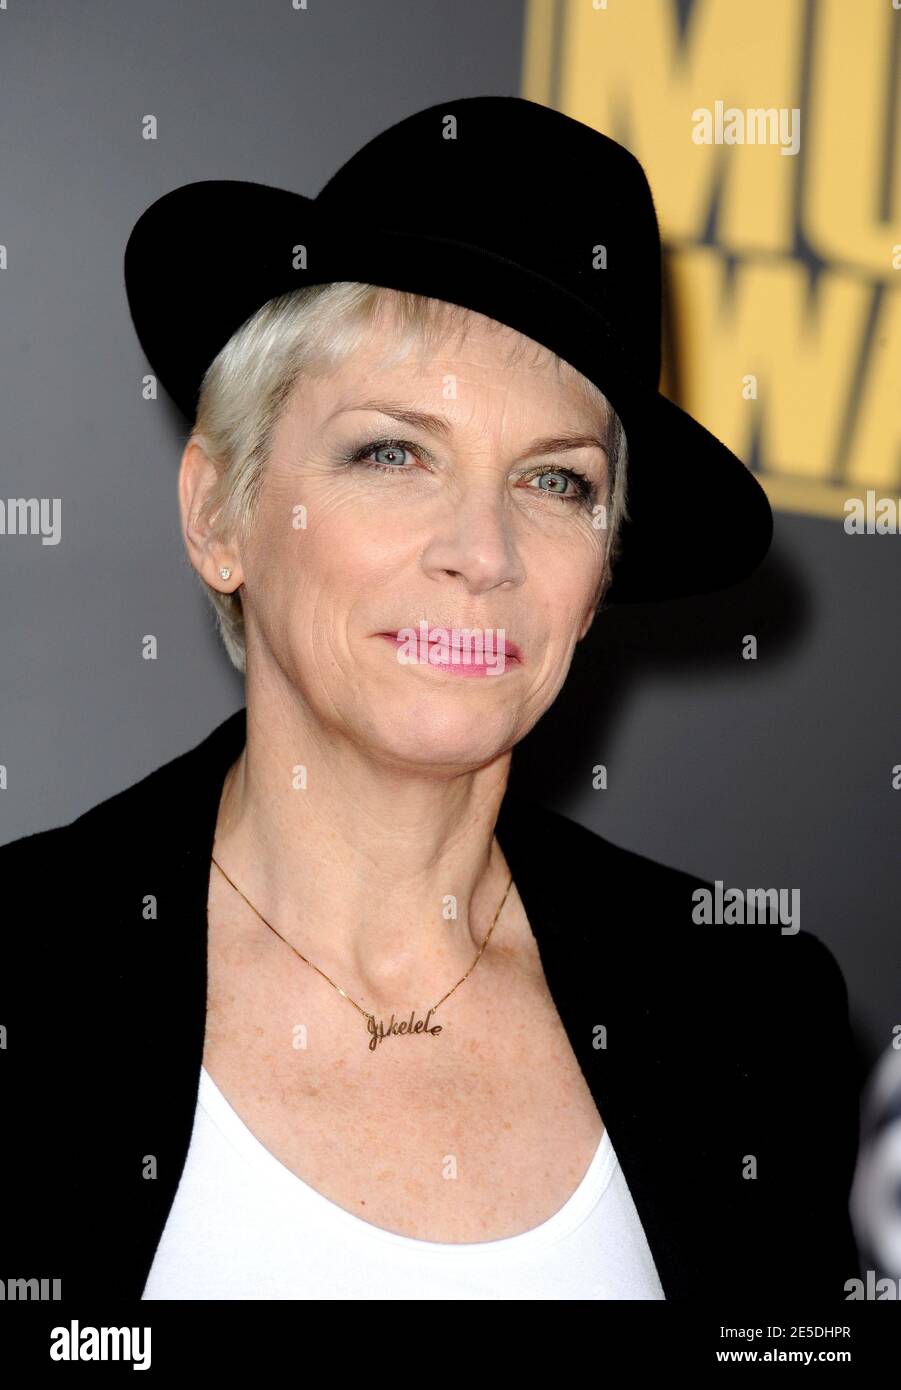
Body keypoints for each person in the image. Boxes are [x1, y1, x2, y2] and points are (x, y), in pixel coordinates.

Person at [0, 96, 860, 1302]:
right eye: (393, 452)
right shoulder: (20, 978)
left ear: (601, 567)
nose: (484, 550)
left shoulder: (748, 1015)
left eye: (557, 481)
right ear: (219, 512)